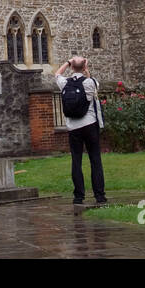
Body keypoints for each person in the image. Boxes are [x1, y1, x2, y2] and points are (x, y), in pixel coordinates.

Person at [54, 55, 107, 206]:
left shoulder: (65, 83)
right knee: (95, 160)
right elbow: (94, 84)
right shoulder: (90, 82)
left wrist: (68, 62)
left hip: (73, 127)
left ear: (71, 67)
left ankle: (78, 197)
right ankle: (99, 196)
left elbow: (57, 74)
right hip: (90, 125)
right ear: (84, 67)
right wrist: (86, 70)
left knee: (76, 161)